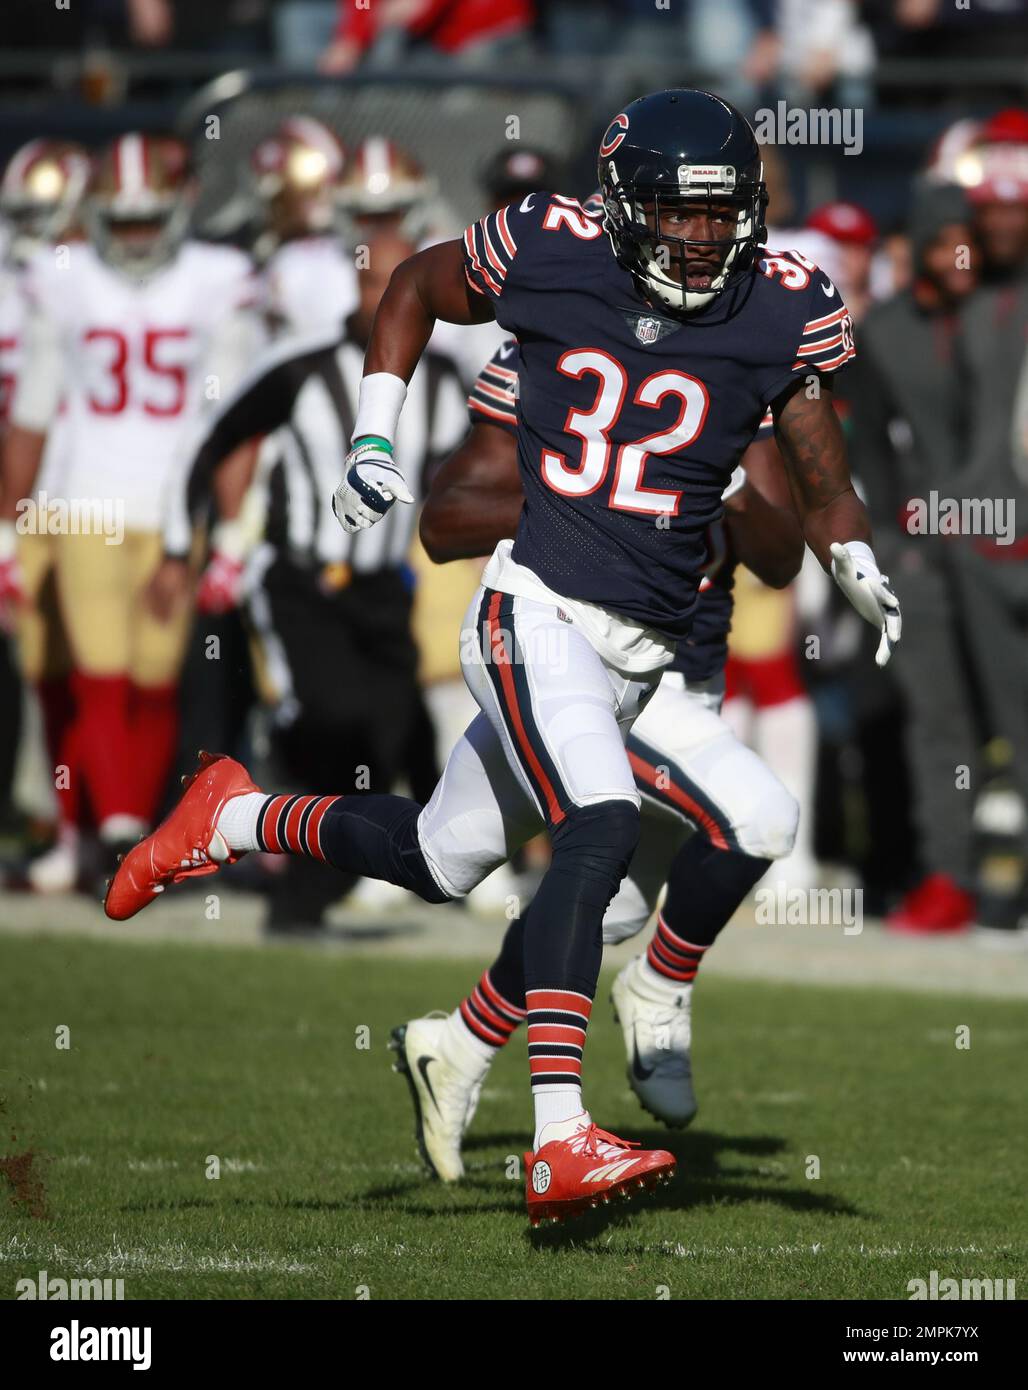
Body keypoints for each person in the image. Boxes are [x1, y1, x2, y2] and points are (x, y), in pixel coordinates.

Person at [105, 90, 901, 1227]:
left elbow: (816, 471)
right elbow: (418, 286)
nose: (698, 236)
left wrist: (854, 558)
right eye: (675, 213)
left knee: (443, 857)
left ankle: (229, 817)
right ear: (625, 206)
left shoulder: (778, 303)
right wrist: (376, 427)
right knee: (600, 823)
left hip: (640, 653)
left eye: (719, 214)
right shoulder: (550, 247)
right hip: (534, 611)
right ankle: (559, 1133)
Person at [390, 337, 804, 1180]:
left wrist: (717, 481)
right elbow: (443, 523)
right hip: (591, 665)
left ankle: (458, 1045)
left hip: (687, 679)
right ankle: (658, 991)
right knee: (759, 815)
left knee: (606, 912)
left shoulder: (738, 363)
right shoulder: (558, 346)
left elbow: (780, 555)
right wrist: (587, 497)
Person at [157, 230, 467, 932]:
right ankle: (279, 876)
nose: (385, 297)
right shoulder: (299, 368)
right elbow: (215, 439)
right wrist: (186, 545)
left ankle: (325, 886)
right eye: (371, 282)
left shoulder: (444, 378)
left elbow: (465, 467)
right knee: (333, 720)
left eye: (398, 280)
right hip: (299, 579)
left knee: (389, 730)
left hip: (383, 586)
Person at [0, 133, 259, 884]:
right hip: (82, 504)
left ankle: (122, 830)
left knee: (154, 681)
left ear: (177, 212)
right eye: (124, 222)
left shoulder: (218, 279)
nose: (137, 237)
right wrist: (9, 532)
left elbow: (233, 422)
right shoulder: (66, 278)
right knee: (98, 671)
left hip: (174, 507)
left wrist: (232, 528)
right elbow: (33, 416)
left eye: (149, 220)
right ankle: (119, 833)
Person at [849, 185, 981, 933]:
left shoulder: (1005, 314)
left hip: (1009, 543)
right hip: (927, 548)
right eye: (945, 244)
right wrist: (894, 539)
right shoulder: (888, 332)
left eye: (970, 244)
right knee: (938, 722)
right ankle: (948, 874)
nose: (960, 260)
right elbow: (870, 442)